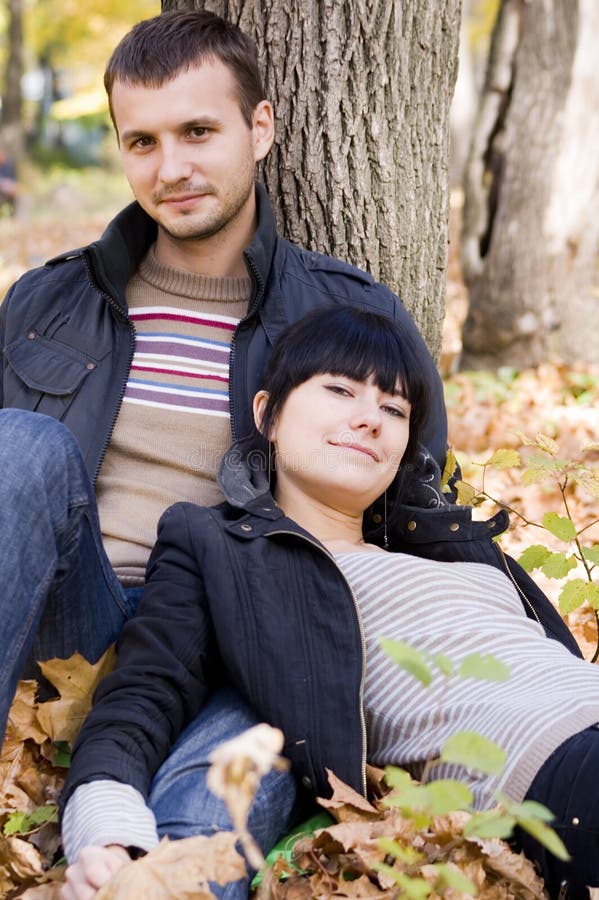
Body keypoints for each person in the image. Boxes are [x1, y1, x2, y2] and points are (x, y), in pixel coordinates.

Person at [0, 9, 448, 897]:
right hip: (68, 624)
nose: (170, 170)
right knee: (22, 446)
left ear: (262, 128)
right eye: (142, 141)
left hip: (239, 636)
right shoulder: (49, 299)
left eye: (198, 132)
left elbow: (414, 508)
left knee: (205, 822)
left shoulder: (341, 314)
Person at [60, 306, 597, 900]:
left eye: (393, 409)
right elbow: (146, 690)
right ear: (267, 414)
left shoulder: (455, 547)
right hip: (546, 772)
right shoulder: (223, 549)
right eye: (340, 390)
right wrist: (107, 825)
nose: (369, 420)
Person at [0, 144, 18, 215]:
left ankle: (14, 216)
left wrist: (10, 185)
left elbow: (13, 179)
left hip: (8, 190)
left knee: (19, 196)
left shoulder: (9, 165)